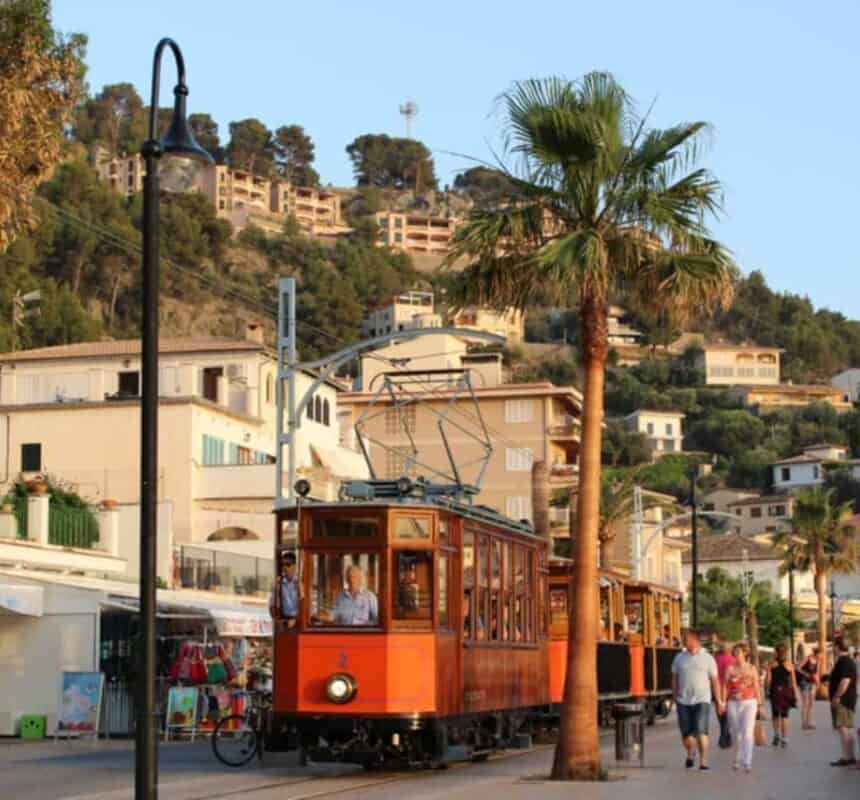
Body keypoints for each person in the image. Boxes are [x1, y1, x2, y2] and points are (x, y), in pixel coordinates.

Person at [671, 629, 723, 771]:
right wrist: (674, 695)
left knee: (701, 731)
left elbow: (714, 680)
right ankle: (690, 753)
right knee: (686, 734)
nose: (684, 641)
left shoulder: (708, 658)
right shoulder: (679, 657)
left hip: (702, 700)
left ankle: (703, 761)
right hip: (683, 700)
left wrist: (719, 700)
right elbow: (674, 678)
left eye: (686, 638)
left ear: (696, 640)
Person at [725, 642, 764, 773]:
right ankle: (737, 758)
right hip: (733, 702)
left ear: (745, 653)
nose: (736, 655)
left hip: (749, 702)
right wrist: (722, 702)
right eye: (735, 653)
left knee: (747, 731)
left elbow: (757, 687)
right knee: (736, 732)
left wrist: (760, 705)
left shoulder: (752, 668)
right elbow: (725, 686)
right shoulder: (730, 669)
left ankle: (747, 761)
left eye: (739, 652)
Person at [828, 637, 858, 767]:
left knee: (843, 728)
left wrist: (837, 696)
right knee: (847, 728)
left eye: (834, 646)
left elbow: (845, 681)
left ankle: (847, 757)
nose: (833, 648)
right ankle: (850, 756)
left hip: (844, 700)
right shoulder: (847, 661)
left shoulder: (844, 662)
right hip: (848, 698)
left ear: (838, 647)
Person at [765, 643, 799, 748]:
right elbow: (793, 682)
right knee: (785, 715)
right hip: (786, 691)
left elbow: (768, 680)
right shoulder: (790, 665)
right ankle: (785, 738)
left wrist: (766, 689)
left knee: (775, 714)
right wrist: (796, 695)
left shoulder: (771, 664)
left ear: (776, 652)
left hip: (775, 691)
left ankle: (776, 735)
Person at [714, 640, 737, 749]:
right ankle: (725, 734)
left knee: (720, 713)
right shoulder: (734, 660)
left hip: (717, 689)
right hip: (729, 690)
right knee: (727, 714)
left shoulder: (716, 659)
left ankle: (724, 735)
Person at [270, 551, 299, 627]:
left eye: (288, 564)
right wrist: (277, 621)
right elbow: (272, 606)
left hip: (298, 621)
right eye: (283, 565)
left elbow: (305, 606)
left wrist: (296, 619)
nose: (285, 567)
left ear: (294, 566)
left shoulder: (300, 583)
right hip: (283, 622)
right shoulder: (278, 583)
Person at [797, 647, 820, 730]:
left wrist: (818, 682)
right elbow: (798, 668)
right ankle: (803, 723)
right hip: (804, 682)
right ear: (816, 653)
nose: (820, 656)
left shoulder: (818, 661)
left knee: (811, 704)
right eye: (819, 655)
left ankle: (809, 722)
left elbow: (817, 672)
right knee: (805, 703)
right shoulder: (807, 658)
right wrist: (805, 673)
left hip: (812, 682)